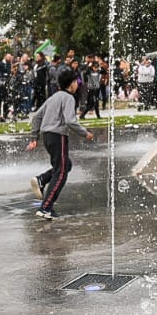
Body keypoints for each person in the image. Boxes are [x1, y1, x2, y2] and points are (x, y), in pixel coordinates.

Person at [26, 69, 94, 220]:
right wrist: (85, 133)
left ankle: (42, 180)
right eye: (76, 82)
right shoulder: (69, 98)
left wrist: (34, 137)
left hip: (47, 136)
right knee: (61, 172)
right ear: (71, 84)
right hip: (58, 136)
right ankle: (46, 208)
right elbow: (70, 121)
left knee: (65, 165)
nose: (77, 84)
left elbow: (37, 116)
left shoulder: (53, 97)